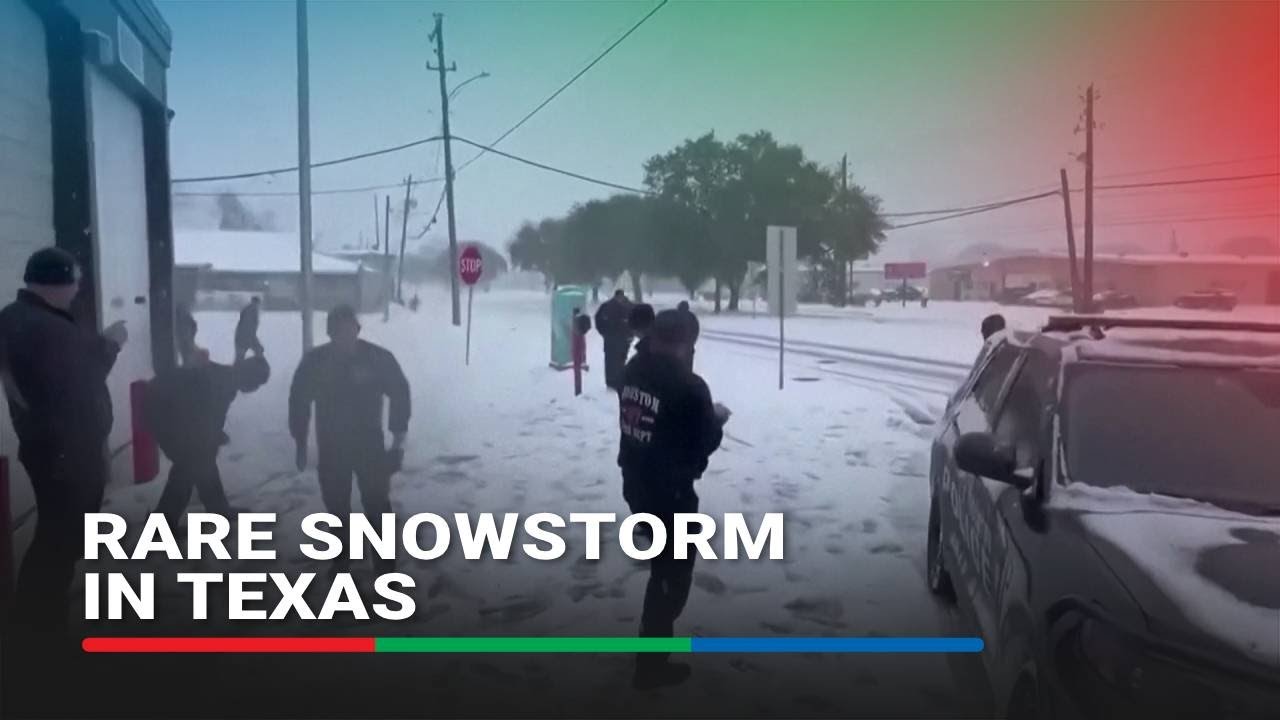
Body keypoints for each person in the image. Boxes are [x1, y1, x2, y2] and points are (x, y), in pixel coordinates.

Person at [0, 247, 128, 629]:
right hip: (65, 452)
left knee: (58, 539)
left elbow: (69, 379)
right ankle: (39, 633)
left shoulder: (18, 319)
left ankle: (38, 623)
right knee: (59, 543)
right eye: (74, 282)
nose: (77, 289)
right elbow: (81, 384)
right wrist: (110, 344)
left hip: (50, 447)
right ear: (57, 283)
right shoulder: (46, 329)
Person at [617, 310, 729, 690]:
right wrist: (715, 419)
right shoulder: (690, 387)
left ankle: (652, 652)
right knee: (672, 577)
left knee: (663, 568)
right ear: (686, 343)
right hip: (672, 495)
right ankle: (650, 667)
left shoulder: (632, 370)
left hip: (636, 484)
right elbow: (703, 443)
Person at [289, 305, 410, 574]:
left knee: (377, 503)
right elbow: (298, 400)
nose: (345, 337)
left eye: (349, 330)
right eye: (338, 331)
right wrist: (300, 439)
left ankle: (385, 565)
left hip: (369, 445)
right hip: (332, 446)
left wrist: (398, 436)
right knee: (336, 505)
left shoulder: (377, 358)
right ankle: (343, 558)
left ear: (358, 329)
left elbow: (400, 391)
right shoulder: (315, 362)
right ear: (330, 333)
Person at [145, 355, 270, 524]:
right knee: (189, 465)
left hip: (167, 408)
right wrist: (209, 436)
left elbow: (208, 418)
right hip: (161, 408)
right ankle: (162, 522)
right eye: (257, 382)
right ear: (249, 377)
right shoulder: (220, 382)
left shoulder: (226, 380)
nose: (255, 388)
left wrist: (214, 435)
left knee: (203, 458)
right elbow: (197, 415)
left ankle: (217, 508)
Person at [593, 289, 632, 391]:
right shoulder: (607, 306)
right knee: (613, 361)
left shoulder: (628, 306)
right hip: (615, 338)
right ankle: (613, 382)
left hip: (619, 338)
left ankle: (616, 382)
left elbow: (634, 322)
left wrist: (630, 335)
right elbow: (598, 320)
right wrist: (604, 333)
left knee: (617, 360)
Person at [234, 296, 263, 362]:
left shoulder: (250, 309)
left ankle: (238, 370)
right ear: (256, 302)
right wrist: (256, 343)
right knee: (259, 351)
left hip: (241, 337)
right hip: (243, 338)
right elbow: (248, 329)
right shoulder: (252, 310)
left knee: (239, 359)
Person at [675, 300, 700, 369]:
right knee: (688, 366)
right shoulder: (692, 317)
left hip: (676, 347)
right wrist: (692, 342)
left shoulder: (675, 316)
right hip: (688, 346)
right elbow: (696, 330)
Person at [176, 302, 198, 366]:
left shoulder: (187, 316)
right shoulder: (178, 317)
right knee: (186, 353)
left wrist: (191, 337)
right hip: (184, 339)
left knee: (187, 353)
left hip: (186, 339)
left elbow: (194, 326)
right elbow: (194, 326)